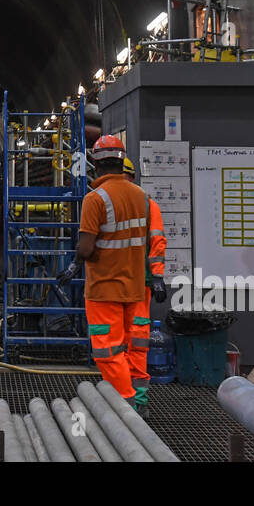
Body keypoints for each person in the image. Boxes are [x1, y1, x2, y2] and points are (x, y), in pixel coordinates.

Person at [59, 135, 167, 416]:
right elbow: (153, 242)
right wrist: (156, 276)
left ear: (95, 164)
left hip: (104, 288)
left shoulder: (95, 199)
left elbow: (85, 246)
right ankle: (138, 400)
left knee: (107, 350)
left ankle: (125, 403)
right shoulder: (144, 198)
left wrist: (75, 264)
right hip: (134, 287)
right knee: (135, 346)